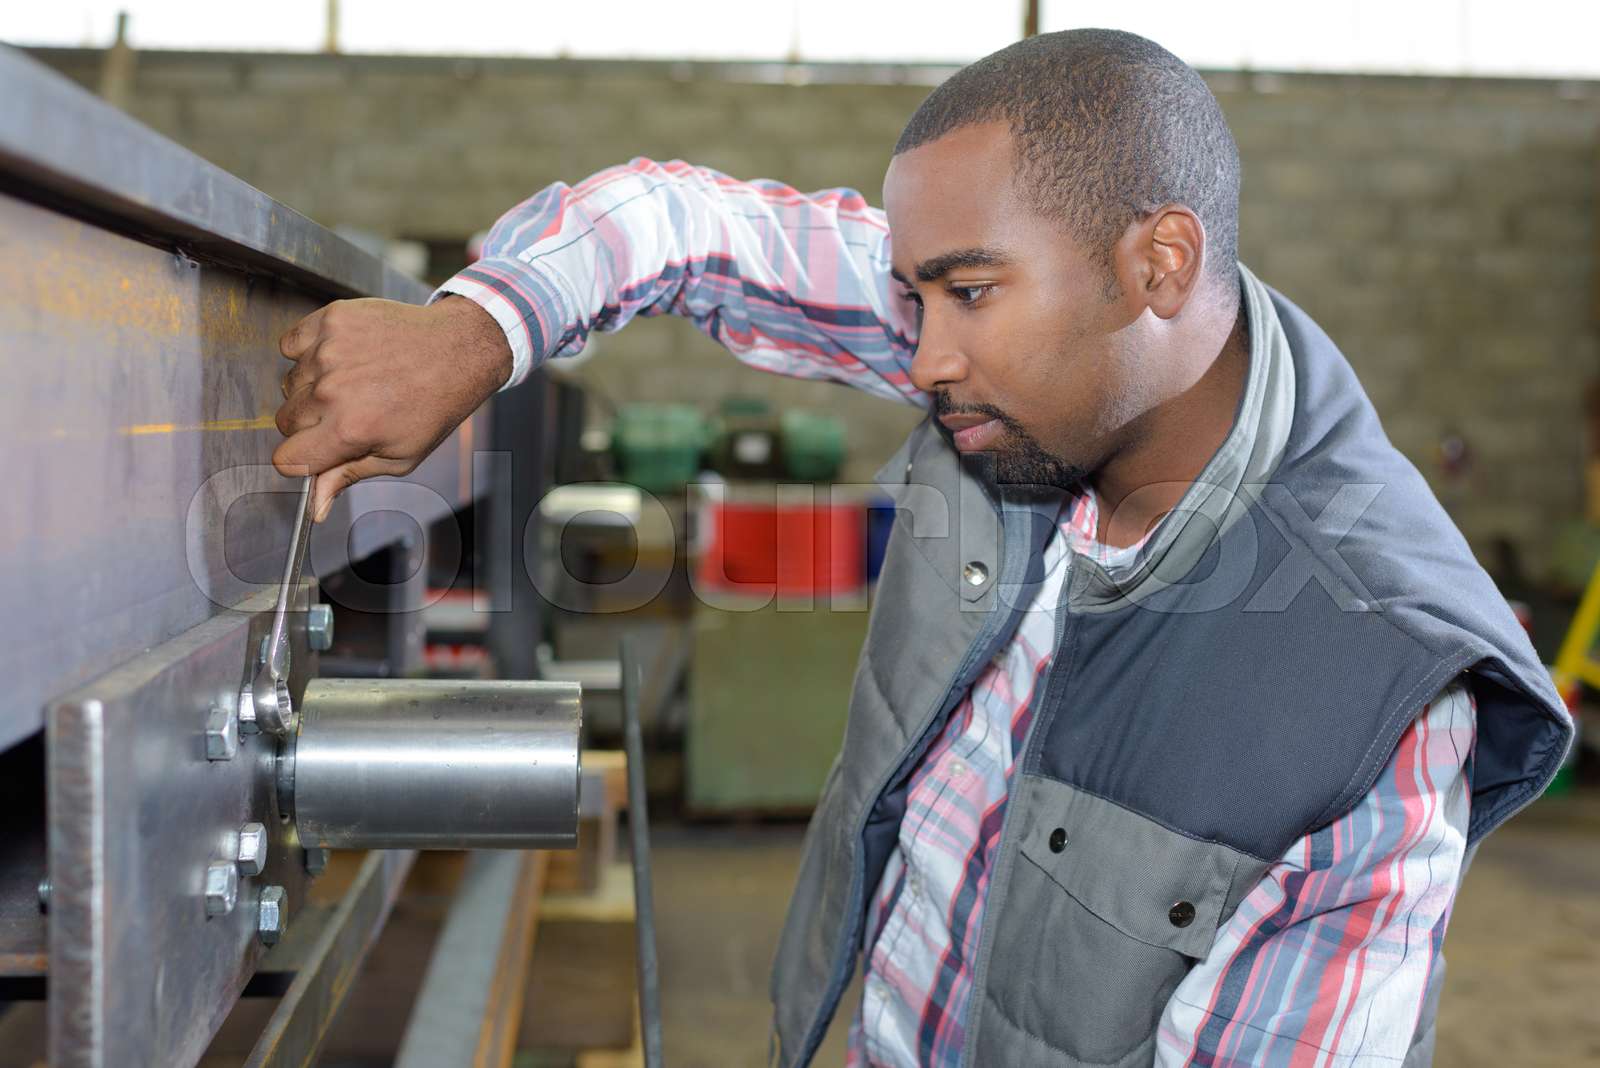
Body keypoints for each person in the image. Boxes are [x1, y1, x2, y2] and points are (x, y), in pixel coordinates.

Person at [271, 29, 1570, 1068]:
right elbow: (677, 223)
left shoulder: (1377, 698)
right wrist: (475, 333)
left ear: (1157, 265)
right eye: (913, 295)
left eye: (967, 293)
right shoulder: (1035, 367)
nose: (925, 356)